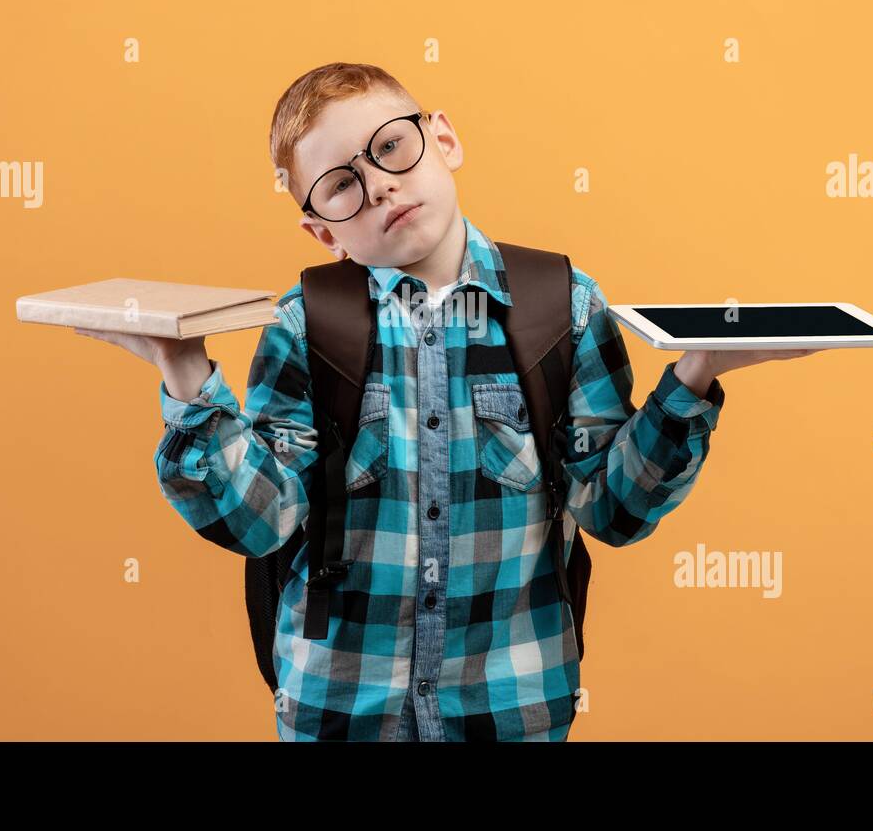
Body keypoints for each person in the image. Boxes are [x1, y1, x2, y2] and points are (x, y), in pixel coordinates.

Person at [74, 62, 822, 741]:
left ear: (444, 140)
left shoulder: (562, 306)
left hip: (514, 705)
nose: (378, 188)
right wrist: (186, 378)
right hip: (340, 712)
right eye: (340, 185)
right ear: (321, 229)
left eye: (390, 149)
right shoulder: (306, 325)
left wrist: (696, 373)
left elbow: (613, 511)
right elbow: (260, 520)